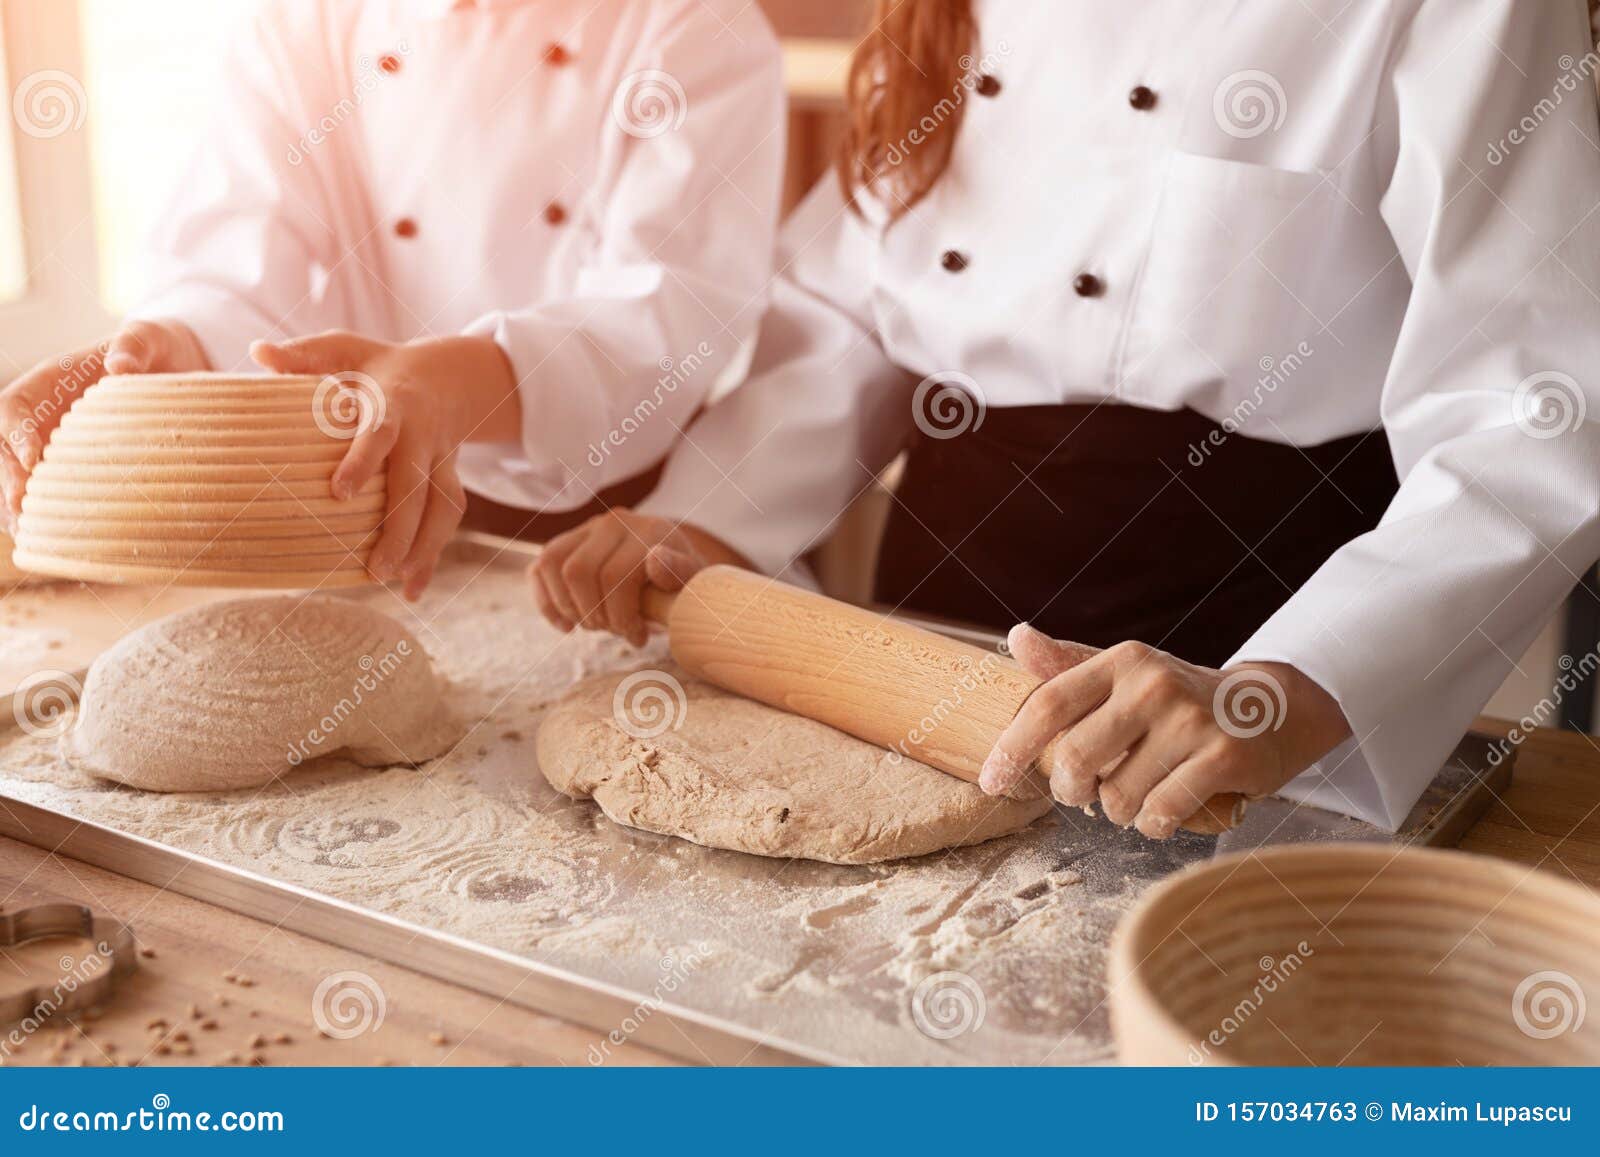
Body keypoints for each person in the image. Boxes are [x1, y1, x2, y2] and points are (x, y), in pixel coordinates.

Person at [530, 0, 1600, 838]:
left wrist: (1285, 689)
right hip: (931, 634)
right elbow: (853, 307)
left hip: (1244, 640)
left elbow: (1527, 404)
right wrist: (709, 522)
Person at [0, 0, 784, 599]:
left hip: (605, 531)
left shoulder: (695, 25)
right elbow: (246, 241)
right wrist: (173, 346)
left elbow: (669, 311)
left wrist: (457, 385)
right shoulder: (309, 19)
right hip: (358, 505)